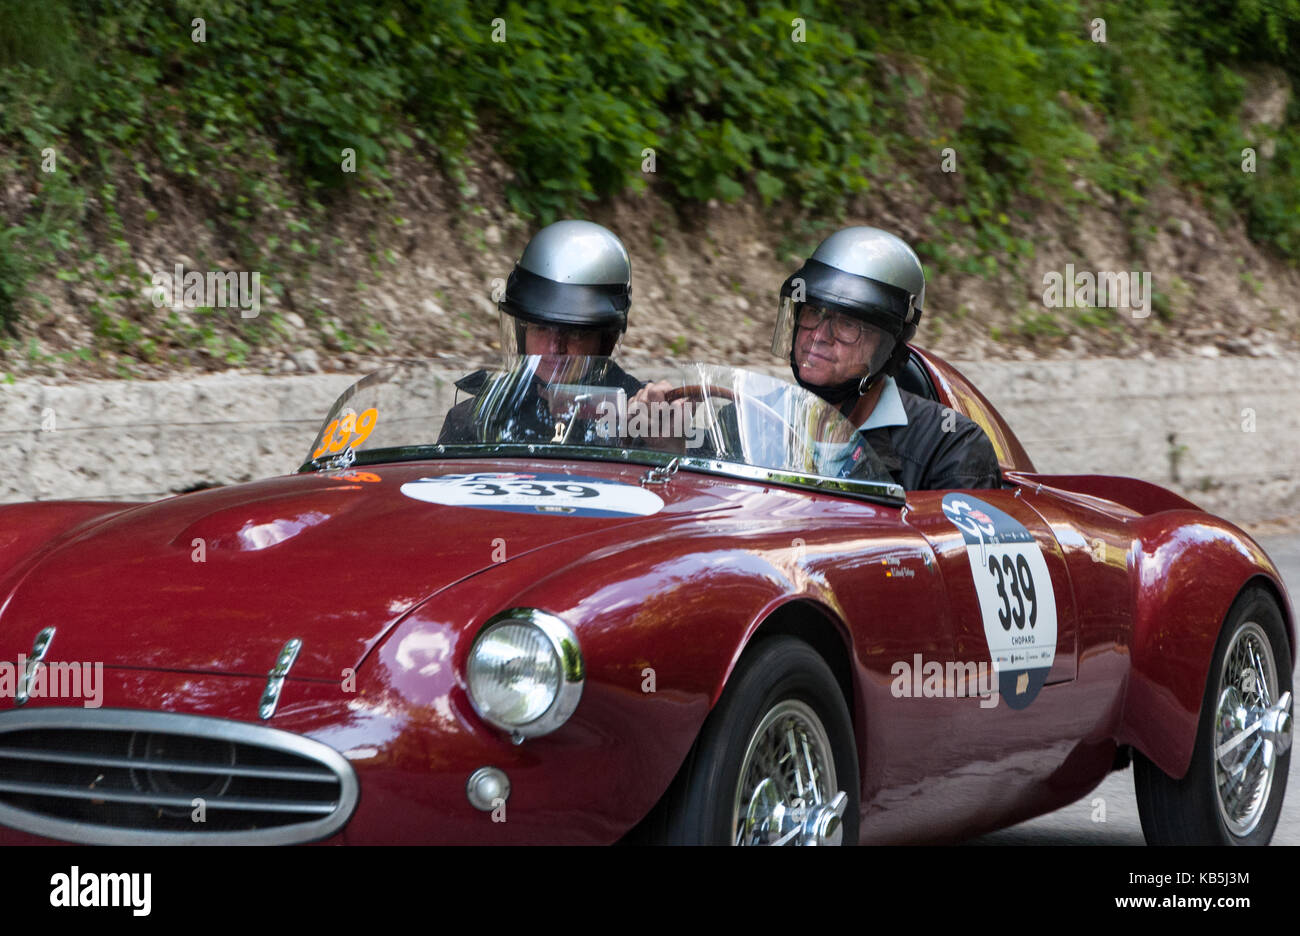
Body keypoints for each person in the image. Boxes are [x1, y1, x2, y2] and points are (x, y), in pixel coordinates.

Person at [770, 226, 1000, 490]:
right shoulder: (749, 422)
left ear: (888, 347)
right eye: (813, 311)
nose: (819, 335)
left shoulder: (950, 448)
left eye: (846, 323)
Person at [437, 220, 644, 444]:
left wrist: (667, 443)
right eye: (541, 328)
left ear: (607, 339)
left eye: (574, 332)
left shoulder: (644, 415)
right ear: (521, 332)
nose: (555, 347)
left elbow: (679, 468)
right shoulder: (481, 418)